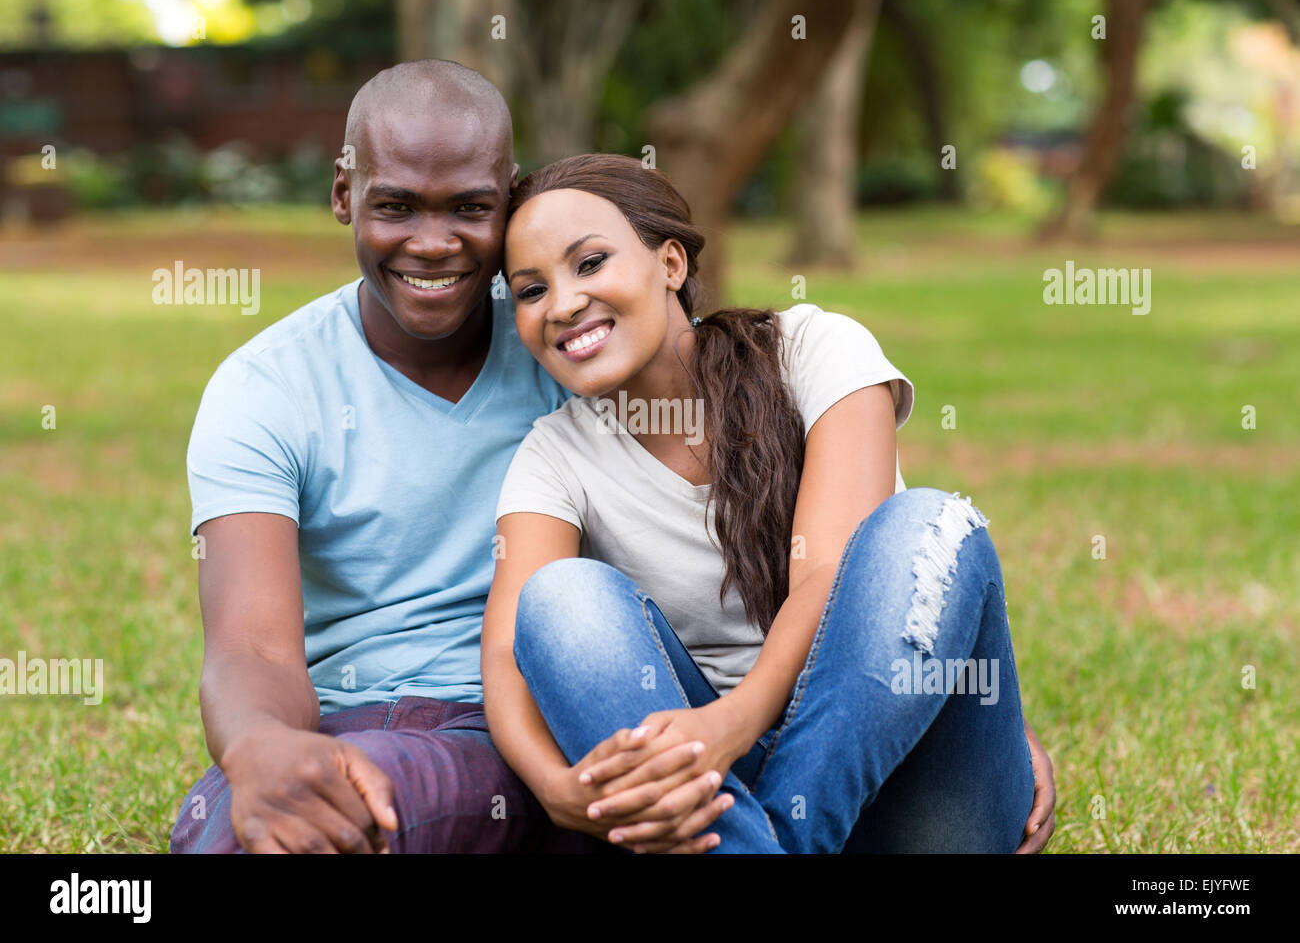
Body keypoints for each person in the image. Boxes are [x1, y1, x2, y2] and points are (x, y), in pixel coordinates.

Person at [482, 153, 1057, 853]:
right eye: (531, 290)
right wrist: (552, 786)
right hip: (718, 801)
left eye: (590, 262)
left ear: (670, 264)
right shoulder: (555, 456)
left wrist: (729, 725)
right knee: (559, 597)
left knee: (927, 523)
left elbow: (830, 575)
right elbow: (512, 647)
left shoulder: (816, 350)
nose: (564, 304)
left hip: (904, 783)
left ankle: (780, 839)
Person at [170, 60, 600, 853]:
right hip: (332, 718)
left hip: (504, 726)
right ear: (343, 194)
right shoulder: (266, 386)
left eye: (470, 208)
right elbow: (252, 647)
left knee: (359, 813)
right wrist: (263, 748)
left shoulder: (569, 348)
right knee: (232, 828)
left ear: (511, 197)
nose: (433, 245)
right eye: (396, 206)